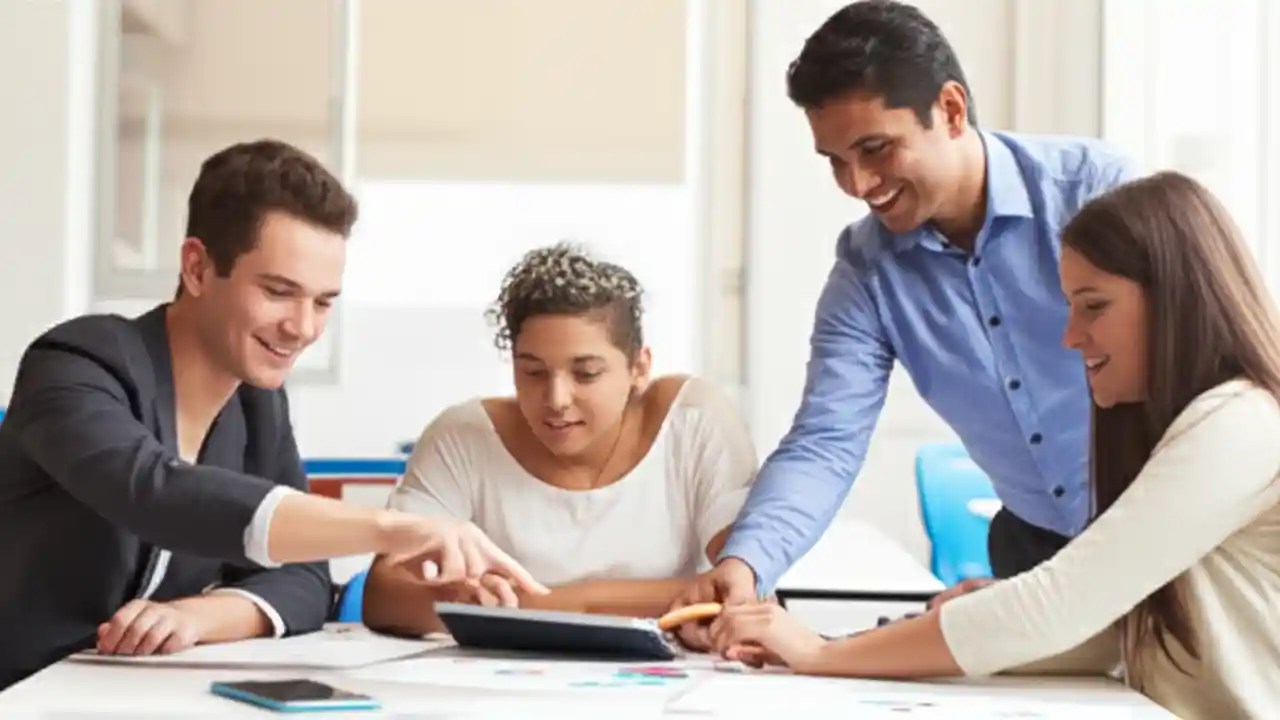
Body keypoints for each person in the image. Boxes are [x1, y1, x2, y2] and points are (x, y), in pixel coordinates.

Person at [708, 171, 1280, 719]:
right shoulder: (1189, 427)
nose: (1070, 335)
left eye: (1094, 305)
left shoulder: (1242, 424)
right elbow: (1107, 627)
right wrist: (838, 648)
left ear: (1174, 296)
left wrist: (822, 654)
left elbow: (1066, 603)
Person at [671, 0, 1137, 643]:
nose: (859, 183)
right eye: (834, 159)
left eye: (876, 149)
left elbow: (1200, 367)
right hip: (1035, 547)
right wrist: (745, 563)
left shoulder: (1095, 192)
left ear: (950, 110)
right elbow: (826, 440)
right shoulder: (868, 271)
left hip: (1155, 527)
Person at [0, 140, 544, 689]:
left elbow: (305, 579)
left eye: (323, 302)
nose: (304, 327)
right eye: (279, 292)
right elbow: (154, 491)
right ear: (196, 267)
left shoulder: (256, 405)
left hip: (123, 697)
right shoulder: (78, 363)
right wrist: (394, 529)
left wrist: (198, 617)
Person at [362, 243, 758, 635]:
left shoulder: (693, 420)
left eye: (586, 374)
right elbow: (383, 595)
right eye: (533, 372)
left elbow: (739, 590)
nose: (556, 400)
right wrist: (664, 599)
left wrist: (520, 605)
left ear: (639, 367)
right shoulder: (463, 437)